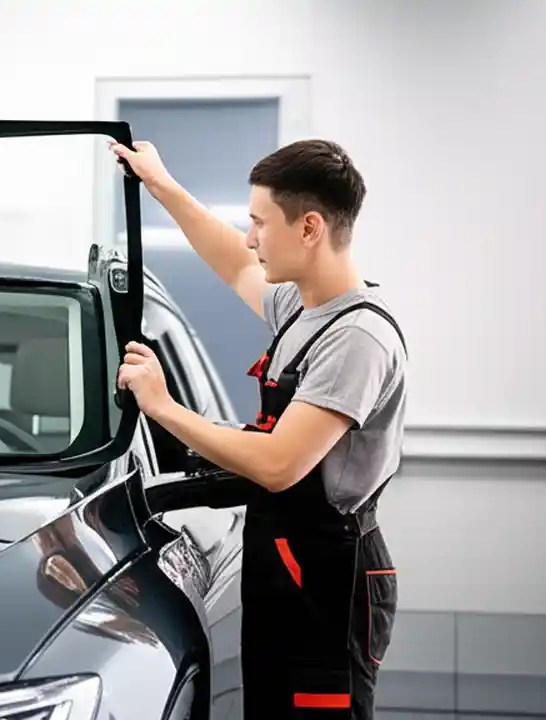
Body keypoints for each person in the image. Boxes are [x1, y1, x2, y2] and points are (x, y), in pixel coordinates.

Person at [109, 138, 407, 720]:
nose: (250, 237)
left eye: (259, 222)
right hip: (286, 561)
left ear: (310, 227)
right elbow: (234, 261)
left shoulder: (356, 339)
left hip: (330, 581)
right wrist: (160, 183)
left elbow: (278, 463)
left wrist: (164, 407)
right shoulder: (301, 307)